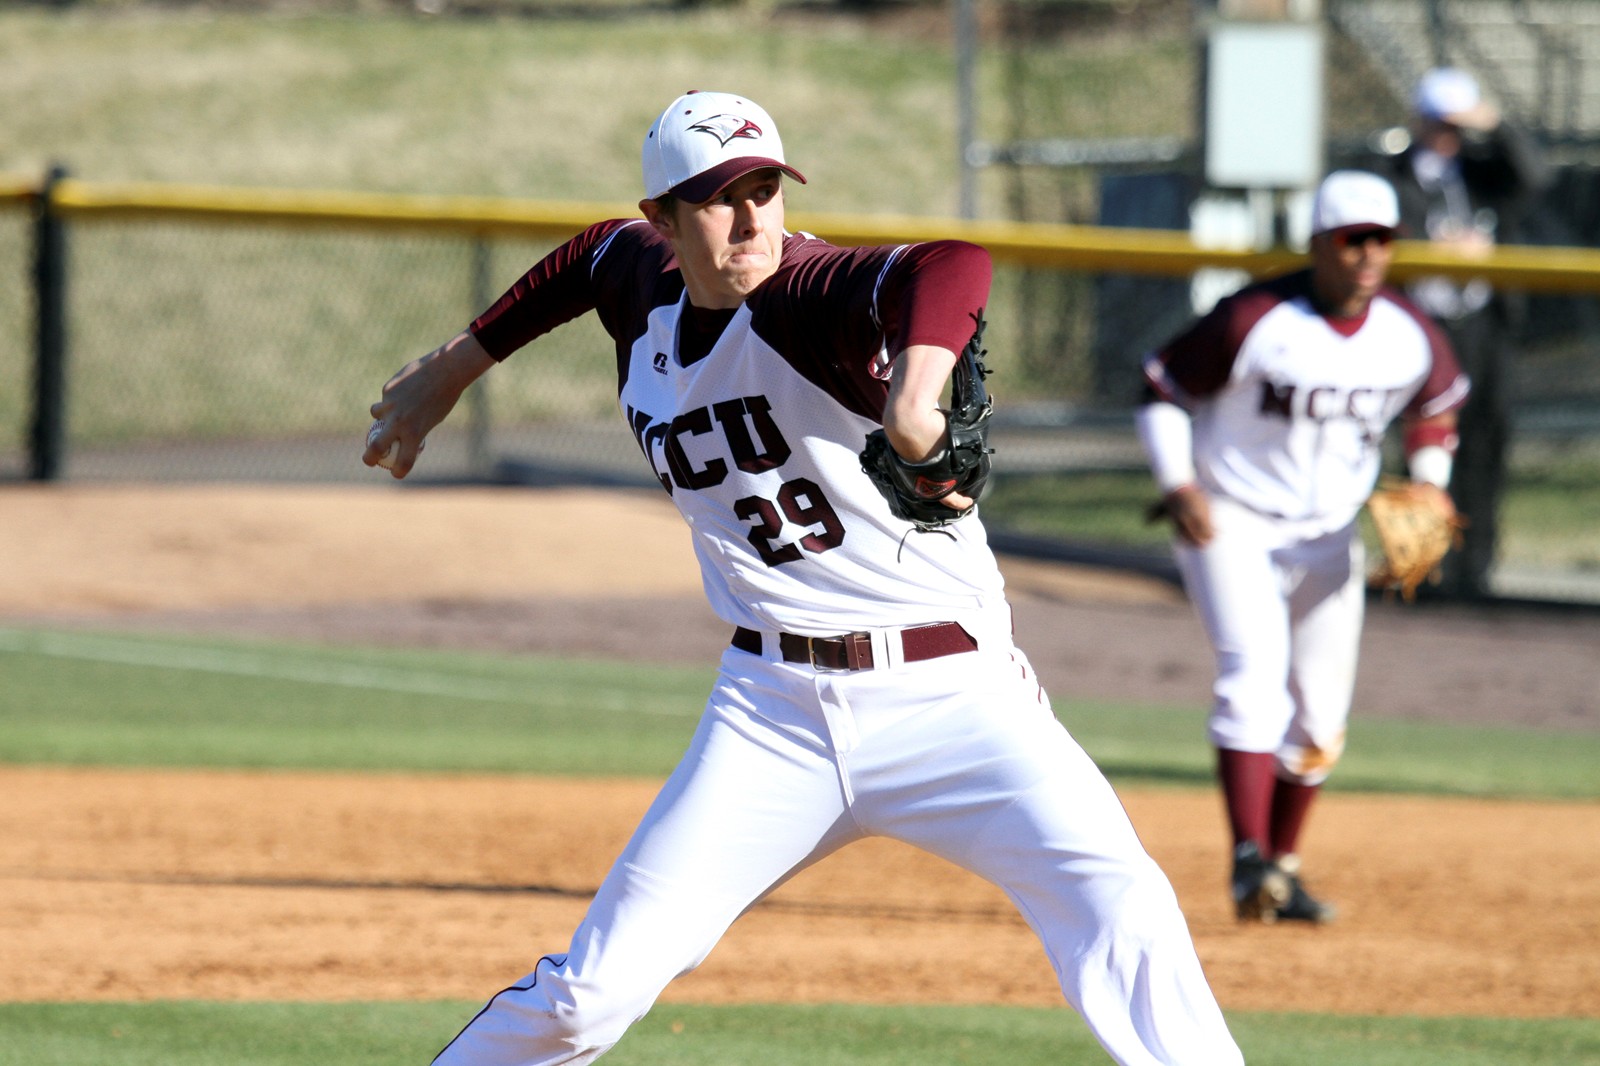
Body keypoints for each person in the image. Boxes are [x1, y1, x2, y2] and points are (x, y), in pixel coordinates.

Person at [364, 89, 1243, 1066]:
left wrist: (915, 392)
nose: (749, 220)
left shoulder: (804, 291)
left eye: (764, 189)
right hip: (770, 710)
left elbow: (953, 265)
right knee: (588, 994)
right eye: (715, 197)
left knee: (1122, 907)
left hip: (953, 697)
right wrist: (456, 365)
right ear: (665, 220)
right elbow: (589, 256)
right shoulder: (639, 276)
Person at [1136, 170, 1470, 925]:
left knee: (1320, 719)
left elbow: (1439, 405)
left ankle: (1280, 871)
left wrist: (1428, 481)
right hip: (1232, 519)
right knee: (1253, 673)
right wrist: (1179, 482)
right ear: (1319, 242)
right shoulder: (1255, 316)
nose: (1368, 255)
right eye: (1353, 240)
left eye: (1381, 240)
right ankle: (1247, 857)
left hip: (1328, 534)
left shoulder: (1406, 332)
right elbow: (1160, 386)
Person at [1373, 67, 1548, 598]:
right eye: (1441, 123)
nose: (1450, 135)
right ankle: (1421, 567)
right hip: (1425, 326)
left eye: (1458, 125)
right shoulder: (1396, 175)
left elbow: (1535, 175)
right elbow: (1384, 228)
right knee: (1424, 441)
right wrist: (1436, 246)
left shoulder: (1483, 172)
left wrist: (1493, 124)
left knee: (1484, 442)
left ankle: (1476, 570)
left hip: (1483, 326)